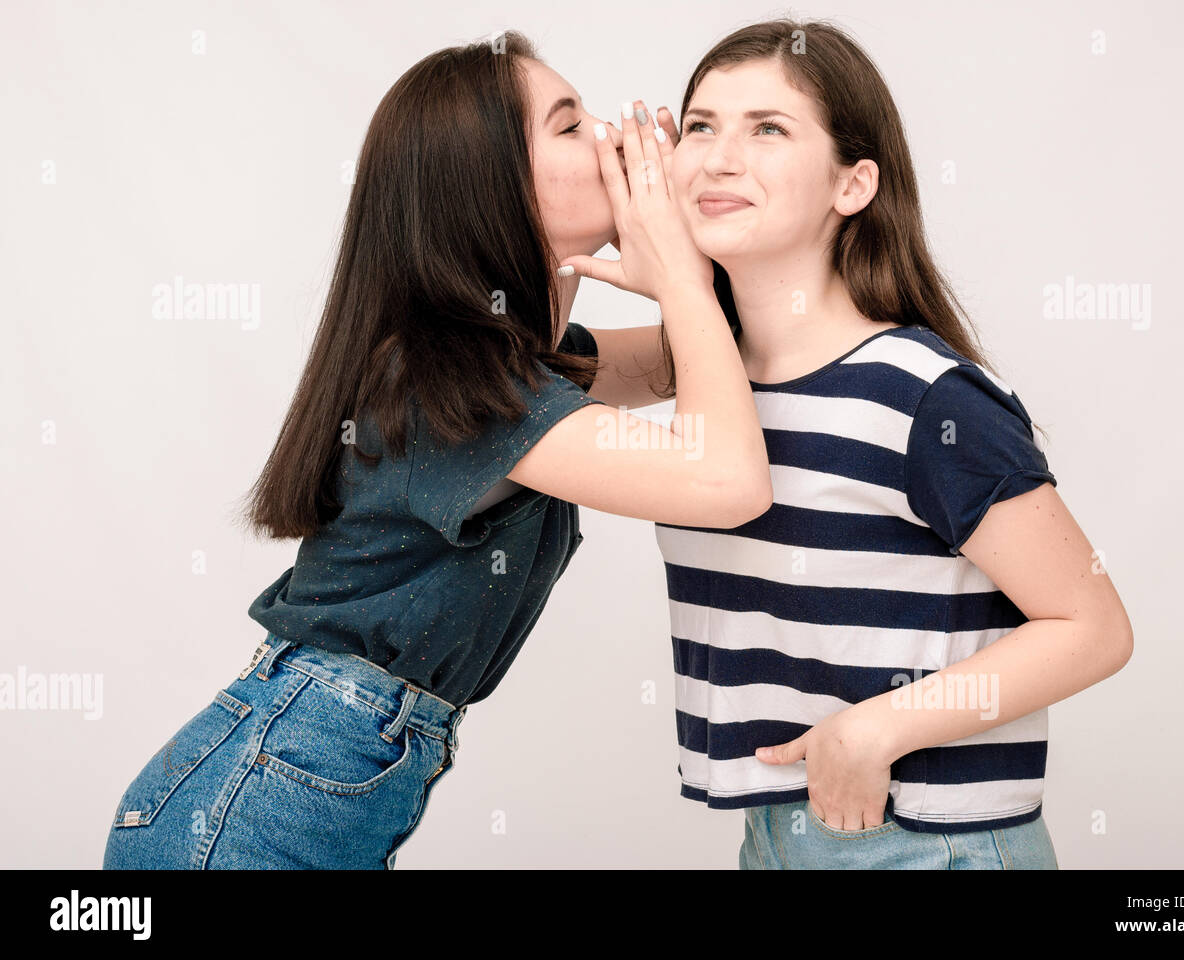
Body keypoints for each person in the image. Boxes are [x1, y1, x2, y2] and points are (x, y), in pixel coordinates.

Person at [102, 32, 768, 869]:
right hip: (248, 811)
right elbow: (727, 478)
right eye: (569, 125)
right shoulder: (454, 387)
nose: (608, 135)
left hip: (300, 778)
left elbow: (699, 360)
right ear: (489, 188)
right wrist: (676, 275)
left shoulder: (514, 373)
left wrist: (714, 218)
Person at [585, 18, 1135, 869]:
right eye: (700, 127)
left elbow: (1093, 625)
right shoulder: (705, 373)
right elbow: (504, 376)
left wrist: (879, 728)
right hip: (774, 835)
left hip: (924, 843)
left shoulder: (920, 394)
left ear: (854, 185)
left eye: (768, 128)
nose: (721, 158)